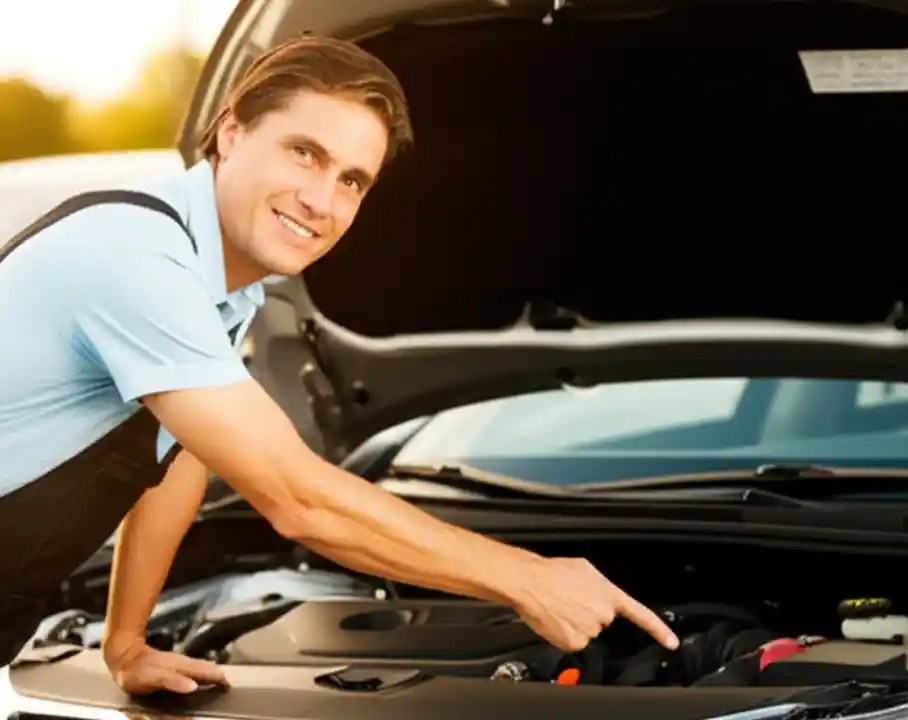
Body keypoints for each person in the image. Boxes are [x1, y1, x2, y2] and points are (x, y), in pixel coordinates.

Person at [0, 36, 677, 695]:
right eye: (304, 153)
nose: (322, 202)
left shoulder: (221, 290)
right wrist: (530, 579)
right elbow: (295, 499)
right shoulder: (137, 260)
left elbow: (175, 456)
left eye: (351, 180)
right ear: (231, 131)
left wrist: (127, 644)